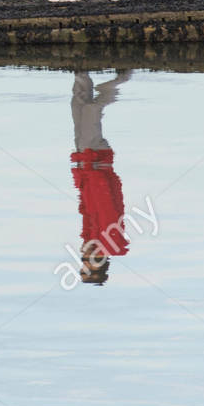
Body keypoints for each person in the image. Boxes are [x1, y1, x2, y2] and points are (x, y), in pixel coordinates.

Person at [70, 69, 131, 285]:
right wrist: (93, 170)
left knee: (78, 107)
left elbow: (86, 206)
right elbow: (107, 202)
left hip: (86, 164)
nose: (82, 261)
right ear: (97, 264)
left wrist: (82, 174)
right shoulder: (109, 239)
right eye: (86, 266)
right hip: (95, 162)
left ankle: (81, 72)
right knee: (91, 110)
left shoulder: (91, 240)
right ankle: (120, 79)